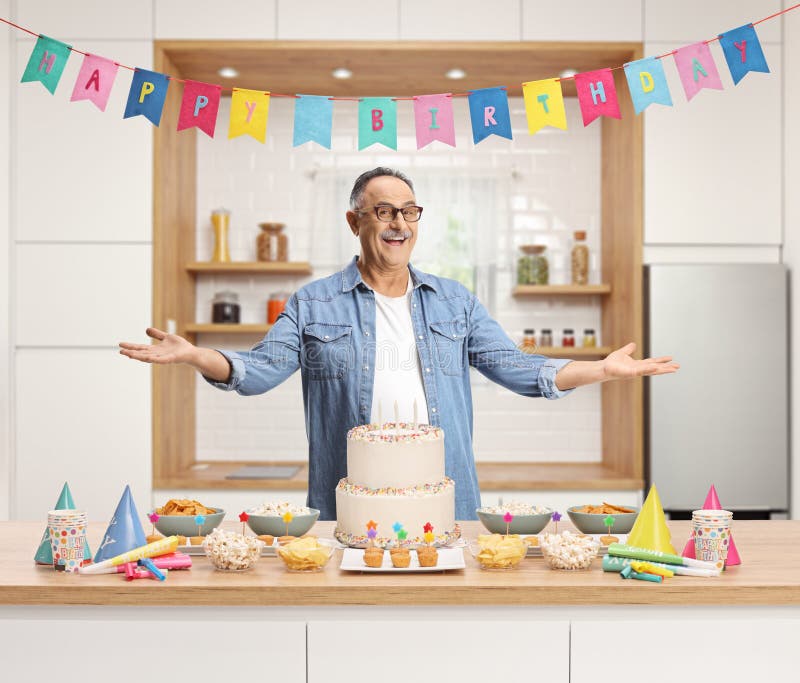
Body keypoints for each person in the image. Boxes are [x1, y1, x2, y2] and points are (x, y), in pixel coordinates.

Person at [119, 167, 679, 521]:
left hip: (444, 498)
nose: (399, 223)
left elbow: (519, 369)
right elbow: (258, 370)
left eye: (409, 211)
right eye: (384, 211)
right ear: (354, 221)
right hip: (349, 499)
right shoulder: (314, 303)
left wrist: (601, 370)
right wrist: (195, 355)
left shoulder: (455, 301)